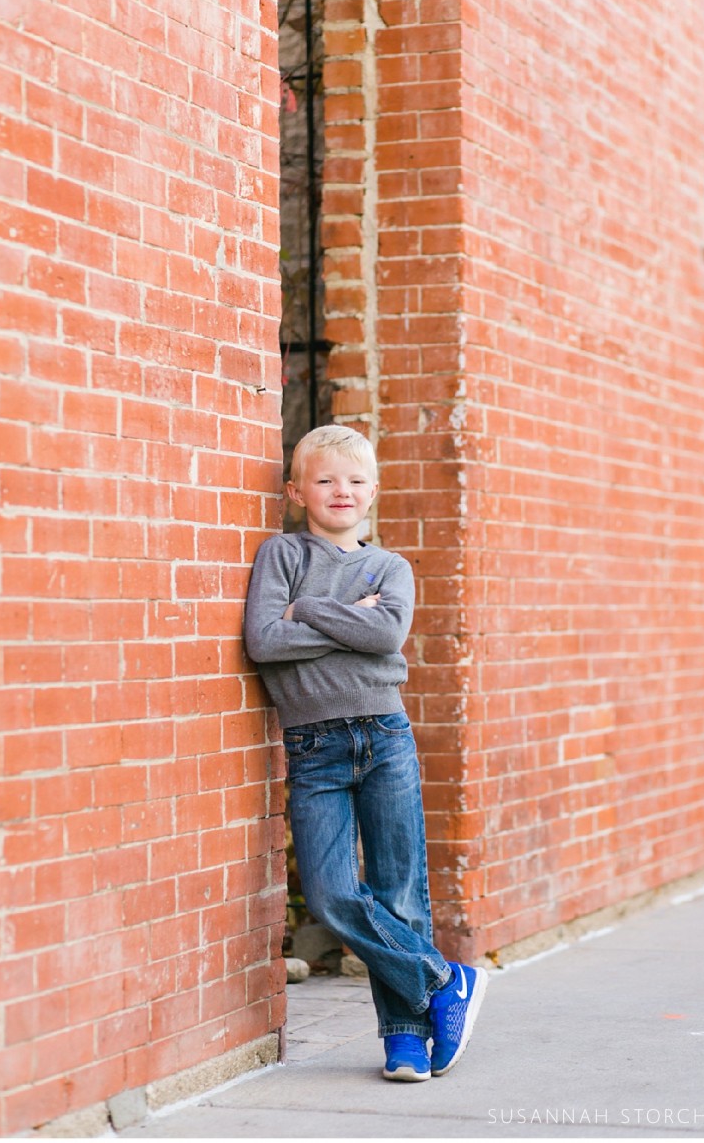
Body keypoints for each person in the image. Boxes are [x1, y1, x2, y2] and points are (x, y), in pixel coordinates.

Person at [244, 425, 488, 1082]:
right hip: (314, 745)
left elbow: (387, 631)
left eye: (353, 481)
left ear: (373, 491)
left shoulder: (389, 568)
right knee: (329, 893)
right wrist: (345, 617)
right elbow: (266, 640)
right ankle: (443, 977)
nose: (339, 491)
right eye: (324, 479)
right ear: (297, 491)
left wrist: (311, 612)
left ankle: (406, 1037)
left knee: (399, 891)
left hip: (384, 736)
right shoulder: (282, 554)